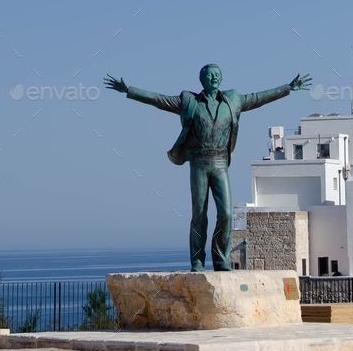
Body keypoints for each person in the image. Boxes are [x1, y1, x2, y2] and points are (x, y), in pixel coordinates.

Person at [105, 65, 312, 272]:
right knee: (199, 214)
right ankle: (197, 261)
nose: (214, 77)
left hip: (221, 163)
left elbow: (258, 98)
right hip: (199, 163)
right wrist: (129, 90)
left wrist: (288, 88)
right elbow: (159, 100)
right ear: (202, 79)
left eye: (217, 74)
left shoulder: (232, 100)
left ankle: (220, 259)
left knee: (227, 215)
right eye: (210, 74)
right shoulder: (190, 102)